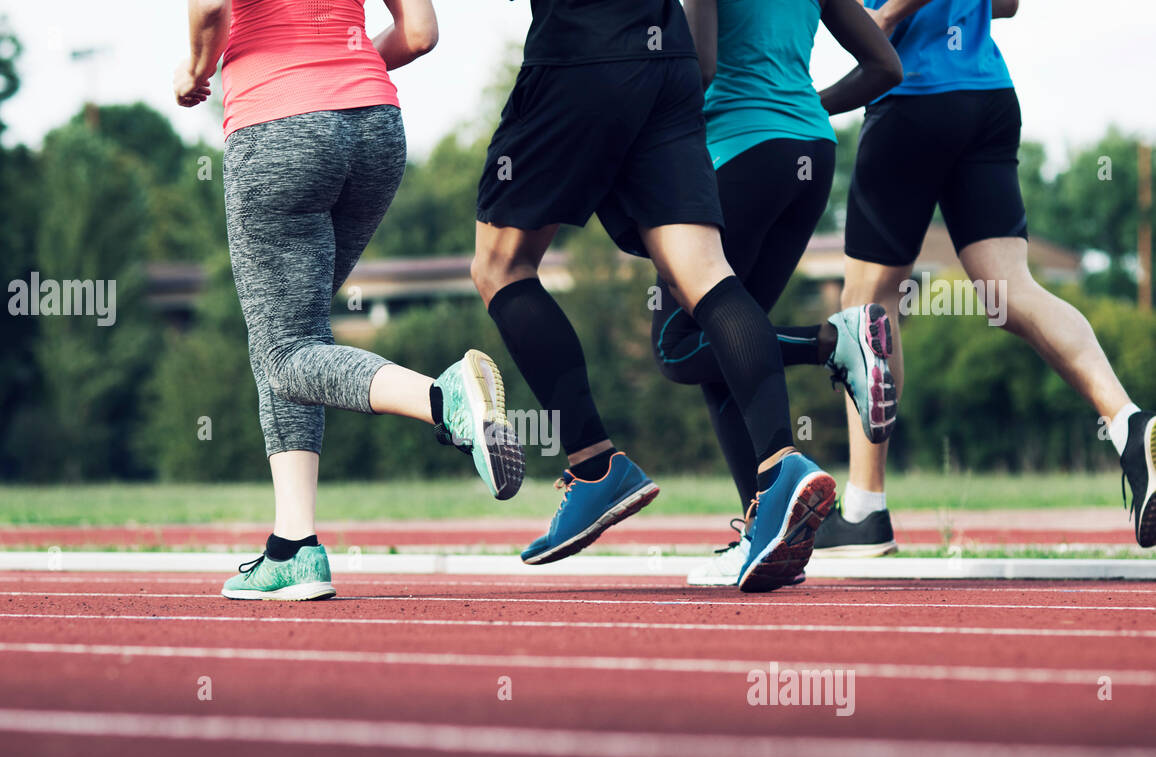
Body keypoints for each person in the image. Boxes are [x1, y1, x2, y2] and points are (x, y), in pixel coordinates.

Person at [474, 0, 839, 591]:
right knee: (705, 273)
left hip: (580, 49)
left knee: (501, 266)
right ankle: (781, 467)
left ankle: (594, 467)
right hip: (668, 60)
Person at [175, 0, 526, 601]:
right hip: (374, 128)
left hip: (277, 125)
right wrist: (351, 63)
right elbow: (420, 33)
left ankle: (446, 400)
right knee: (289, 334)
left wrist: (196, 69)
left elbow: (210, 7)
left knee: (286, 349)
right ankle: (294, 547)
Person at [817, 0, 1156, 555]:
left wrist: (889, 17)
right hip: (987, 96)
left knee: (866, 307)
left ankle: (865, 511)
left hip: (913, 97)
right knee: (1012, 291)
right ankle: (1129, 424)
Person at [648, 0, 904, 586]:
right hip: (808, 154)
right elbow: (886, 68)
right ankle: (766, 531)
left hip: (737, 153)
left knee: (676, 342)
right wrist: (810, 105)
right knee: (729, 354)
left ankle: (832, 345)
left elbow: (701, 66)